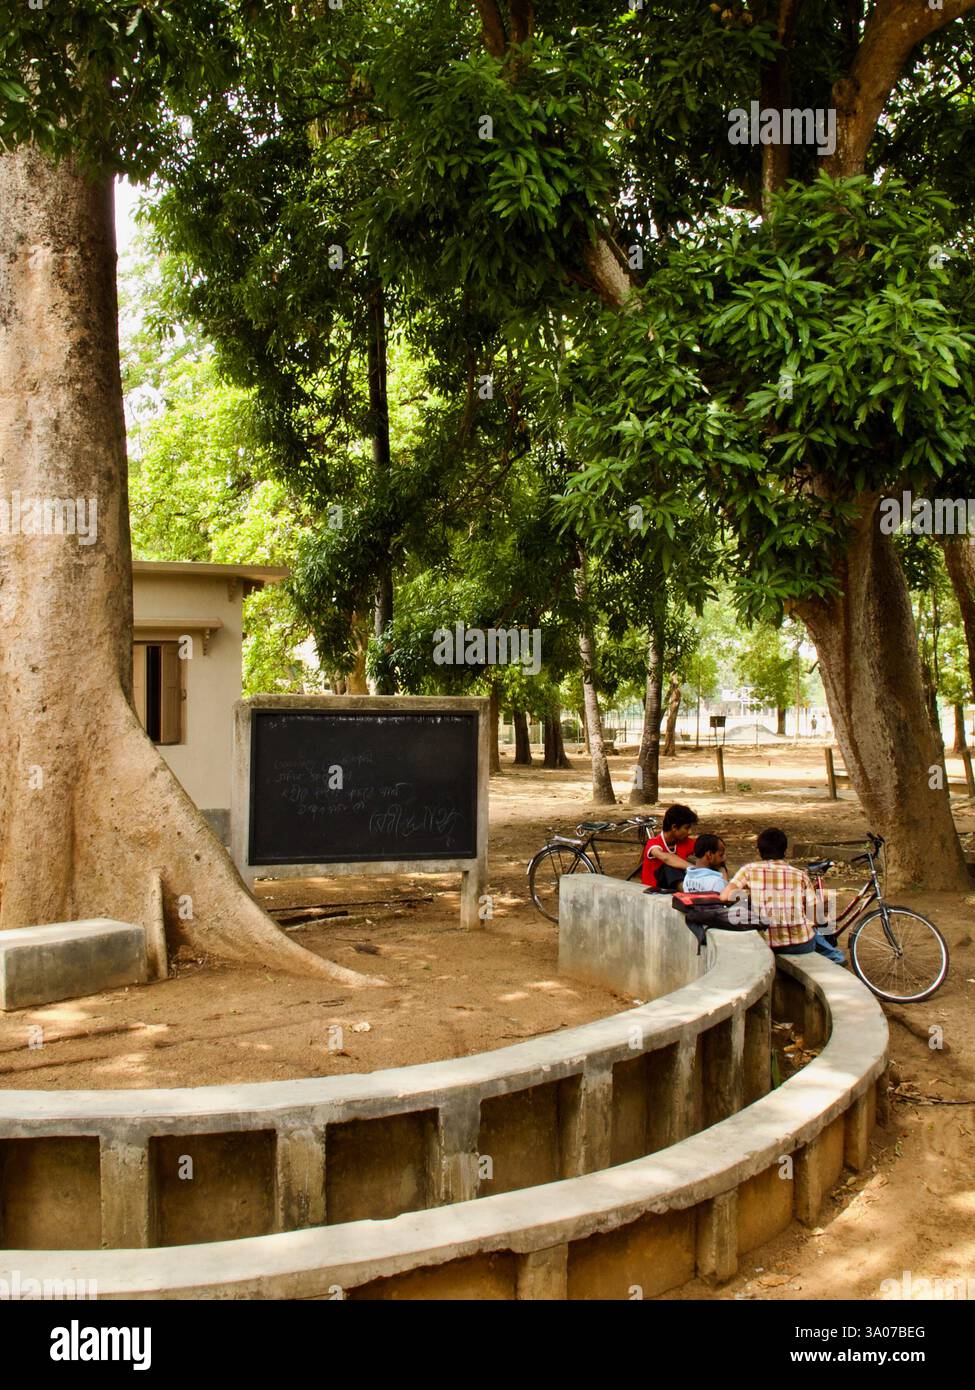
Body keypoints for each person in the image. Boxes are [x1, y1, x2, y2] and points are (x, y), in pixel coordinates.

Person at [718, 827, 844, 962]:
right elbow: (815, 917)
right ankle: (836, 957)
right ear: (785, 851)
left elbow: (725, 896)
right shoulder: (800, 875)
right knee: (813, 929)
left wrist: (751, 897)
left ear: (759, 851)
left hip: (766, 943)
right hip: (801, 945)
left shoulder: (748, 870)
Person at [641, 804, 699, 890]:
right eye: (686, 828)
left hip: (674, 892)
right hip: (654, 892)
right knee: (669, 867)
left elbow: (707, 852)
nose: (690, 832)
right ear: (674, 827)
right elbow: (665, 857)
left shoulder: (686, 842)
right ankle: (688, 892)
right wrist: (693, 868)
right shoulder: (653, 843)